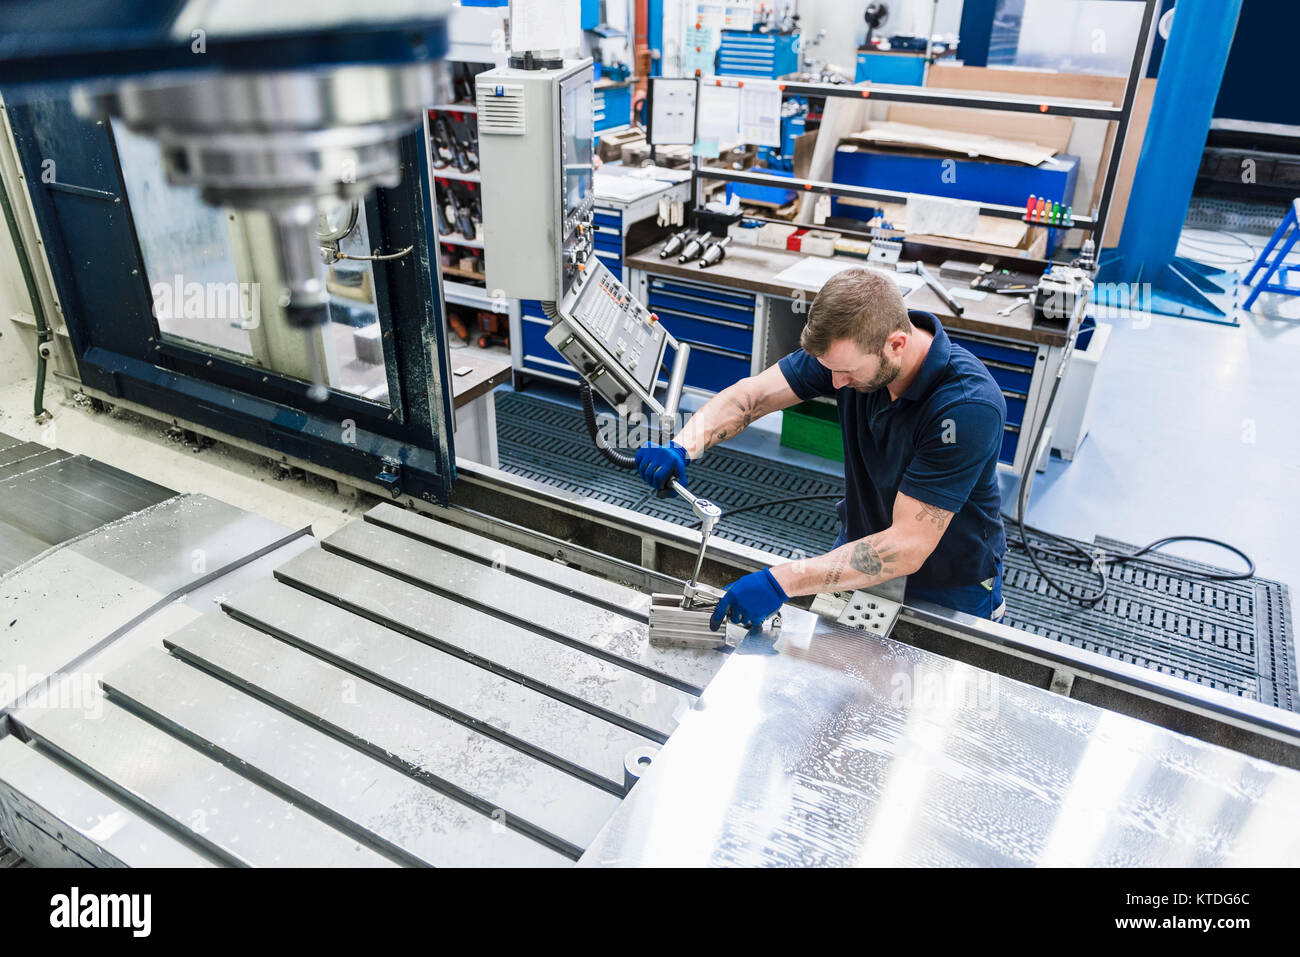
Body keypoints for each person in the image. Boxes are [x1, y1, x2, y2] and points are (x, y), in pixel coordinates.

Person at [634, 267, 1007, 631]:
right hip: (858, 547)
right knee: (831, 673)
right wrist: (683, 445)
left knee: (932, 688)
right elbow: (755, 395)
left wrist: (781, 581)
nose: (836, 383)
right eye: (830, 370)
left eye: (847, 373)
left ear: (896, 344)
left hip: (948, 581)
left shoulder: (966, 407)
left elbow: (907, 544)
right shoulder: (848, 353)